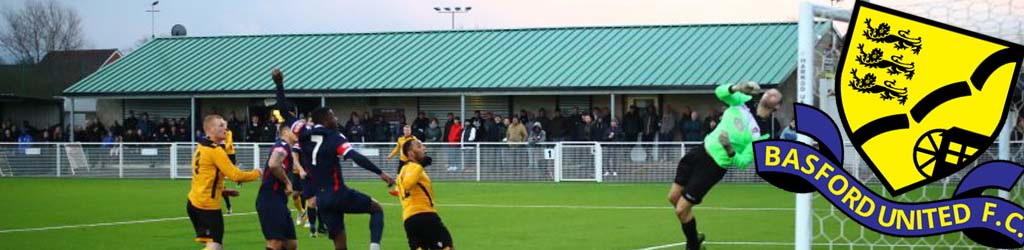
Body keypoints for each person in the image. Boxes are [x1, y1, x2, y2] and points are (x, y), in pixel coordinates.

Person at [667, 82, 781, 250]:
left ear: (777, 106)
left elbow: (743, 162)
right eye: (769, 91)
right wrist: (737, 87)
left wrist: (729, 148)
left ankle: (693, 246)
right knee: (673, 199)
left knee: (681, 210)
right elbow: (720, 92)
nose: (770, 94)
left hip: (713, 167)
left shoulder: (762, 133)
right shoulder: (744, 101)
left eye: (775, 95)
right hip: (699, 152)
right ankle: (695, 239)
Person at [303, 107, 394, 250]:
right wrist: (381, 173)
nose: (336, 119)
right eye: (332, 116)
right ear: (325, 120)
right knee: (377, 209)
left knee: (340, 245)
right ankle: (375, 247)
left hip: (321, 199)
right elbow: (355, 156)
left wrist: (279, 87)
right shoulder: (334, 136)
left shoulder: (304, 136)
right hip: (338, 193)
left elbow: (285, 115)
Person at [186, 114, 263, 250]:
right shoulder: (215, 151)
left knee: (211, 244)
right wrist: (258, 173)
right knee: (215, 245)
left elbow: (204, 179)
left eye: (226, 126)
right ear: (210, 130)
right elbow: (236, 175)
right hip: (207, 206)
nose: (225, 129)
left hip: (194, 201)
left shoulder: (201, 147)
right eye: (221, 126)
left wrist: (223, 191)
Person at [397, 139, 454, 250]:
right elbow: (408, 184)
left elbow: (402, 189)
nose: (424, 148)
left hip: (409, 220)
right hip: (425, 216)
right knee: (447, 246)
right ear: (410, 153)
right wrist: (421, 165)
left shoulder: (402, 171)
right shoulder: (411, 167)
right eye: (419, 146)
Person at [256, 124, 299, 250]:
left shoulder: (287, 148)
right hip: (270, 199)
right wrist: (287, 182)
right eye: (295, 128)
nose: (299, 131)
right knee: (275, 243)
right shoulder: (282, 145)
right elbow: (273, 164)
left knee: (291, 244)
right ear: (285, 132)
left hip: (278, 200)